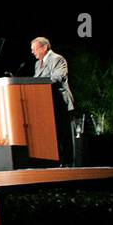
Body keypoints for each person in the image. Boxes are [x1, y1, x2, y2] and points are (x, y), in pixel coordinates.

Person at [31, 36, 76, 165]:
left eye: (35, 49)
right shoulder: (37, 64)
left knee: (65, 134)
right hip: (47, 105)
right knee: (53, 135)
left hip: (60, 102)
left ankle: (68, 164)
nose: (32, 52)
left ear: (44, 47)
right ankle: (56, 162)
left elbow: (57, 78)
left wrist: (38, 83)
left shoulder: (57, 59)